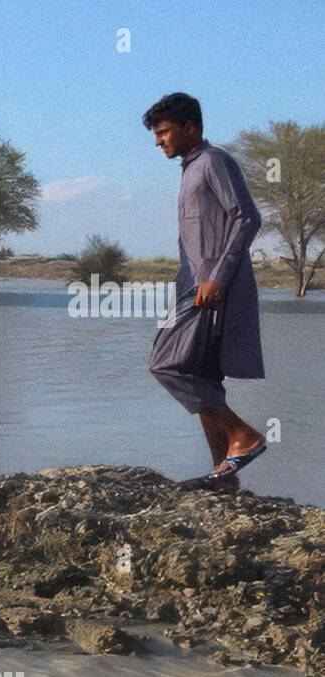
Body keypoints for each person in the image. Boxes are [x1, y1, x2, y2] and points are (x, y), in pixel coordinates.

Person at [144, 92, 266, 490]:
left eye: (163, 132)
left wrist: (217, 278)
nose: (158, 140)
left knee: (166, 363)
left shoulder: (214, 161)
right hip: (194, 288)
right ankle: (223, 475)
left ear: (190, 127)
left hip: (216, 287)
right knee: (200, 373)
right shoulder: (190, 168)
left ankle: (243, 436)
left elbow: (247, 218)